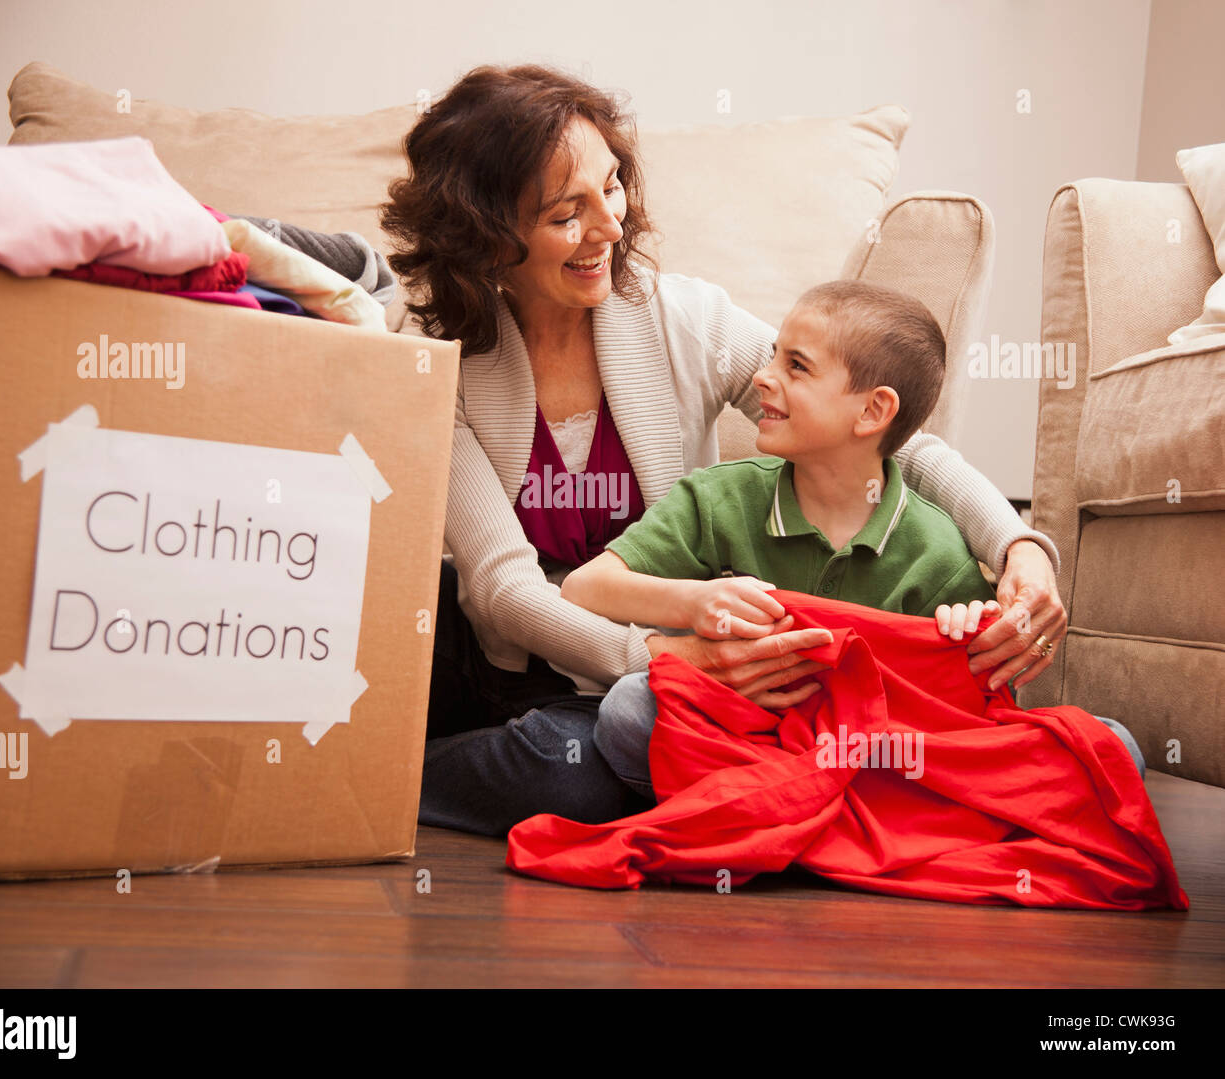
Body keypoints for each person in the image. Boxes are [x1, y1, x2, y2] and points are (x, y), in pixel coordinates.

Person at [380, 64, 1072, 837]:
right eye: (566, 214)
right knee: (465, 681)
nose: (609, 227)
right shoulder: (442, 363)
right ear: (490, 236)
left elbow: (875, 436)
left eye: (611, 187)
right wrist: (664, 653)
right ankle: (368, 778)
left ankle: (402, 769)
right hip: (515, 659)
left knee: (578, 775)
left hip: (623, 686)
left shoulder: (686, 320)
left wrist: (1019, 546)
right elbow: (506, 591)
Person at [561, 280, 1146, 798]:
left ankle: (805, 810)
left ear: (873, 412)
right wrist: (694, 602)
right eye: (772, 356)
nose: (762, 376)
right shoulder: (718, 500)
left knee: (1114, 746)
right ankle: (838, 813)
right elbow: (587, 588)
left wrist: (969, 632)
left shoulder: (937, 549)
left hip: (877, 757)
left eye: (797, 366)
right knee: (630, 709)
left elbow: (969, 713)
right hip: (754, 738)